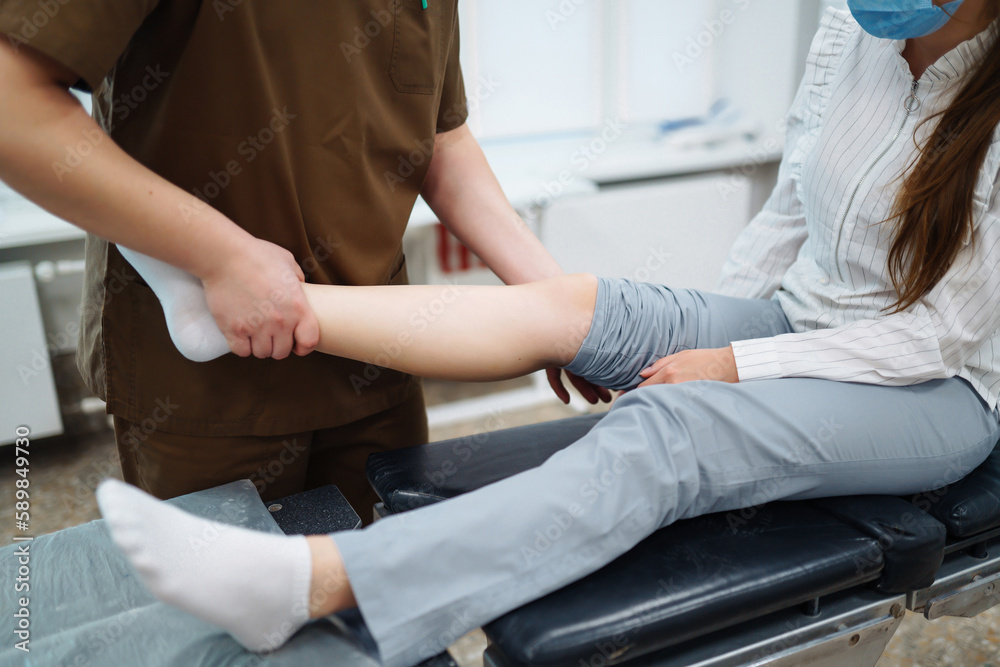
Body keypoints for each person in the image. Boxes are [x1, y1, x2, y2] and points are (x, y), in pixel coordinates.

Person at [96, 1, 1000, 665]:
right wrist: (690, 330)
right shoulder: (857, 30)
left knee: (670, 430)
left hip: (932, 387)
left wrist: (731, 366)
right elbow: (790, 207)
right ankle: (244, 314)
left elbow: (938, 336)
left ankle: (322, 579)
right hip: (804, 312)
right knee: (577, 307)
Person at [0, 0, 609, 512]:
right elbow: (13, 100)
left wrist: (561, 310)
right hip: (209, 378)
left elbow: (441, 141)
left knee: (379, 593)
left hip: (378, 361)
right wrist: (221, 258)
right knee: (241, 626)